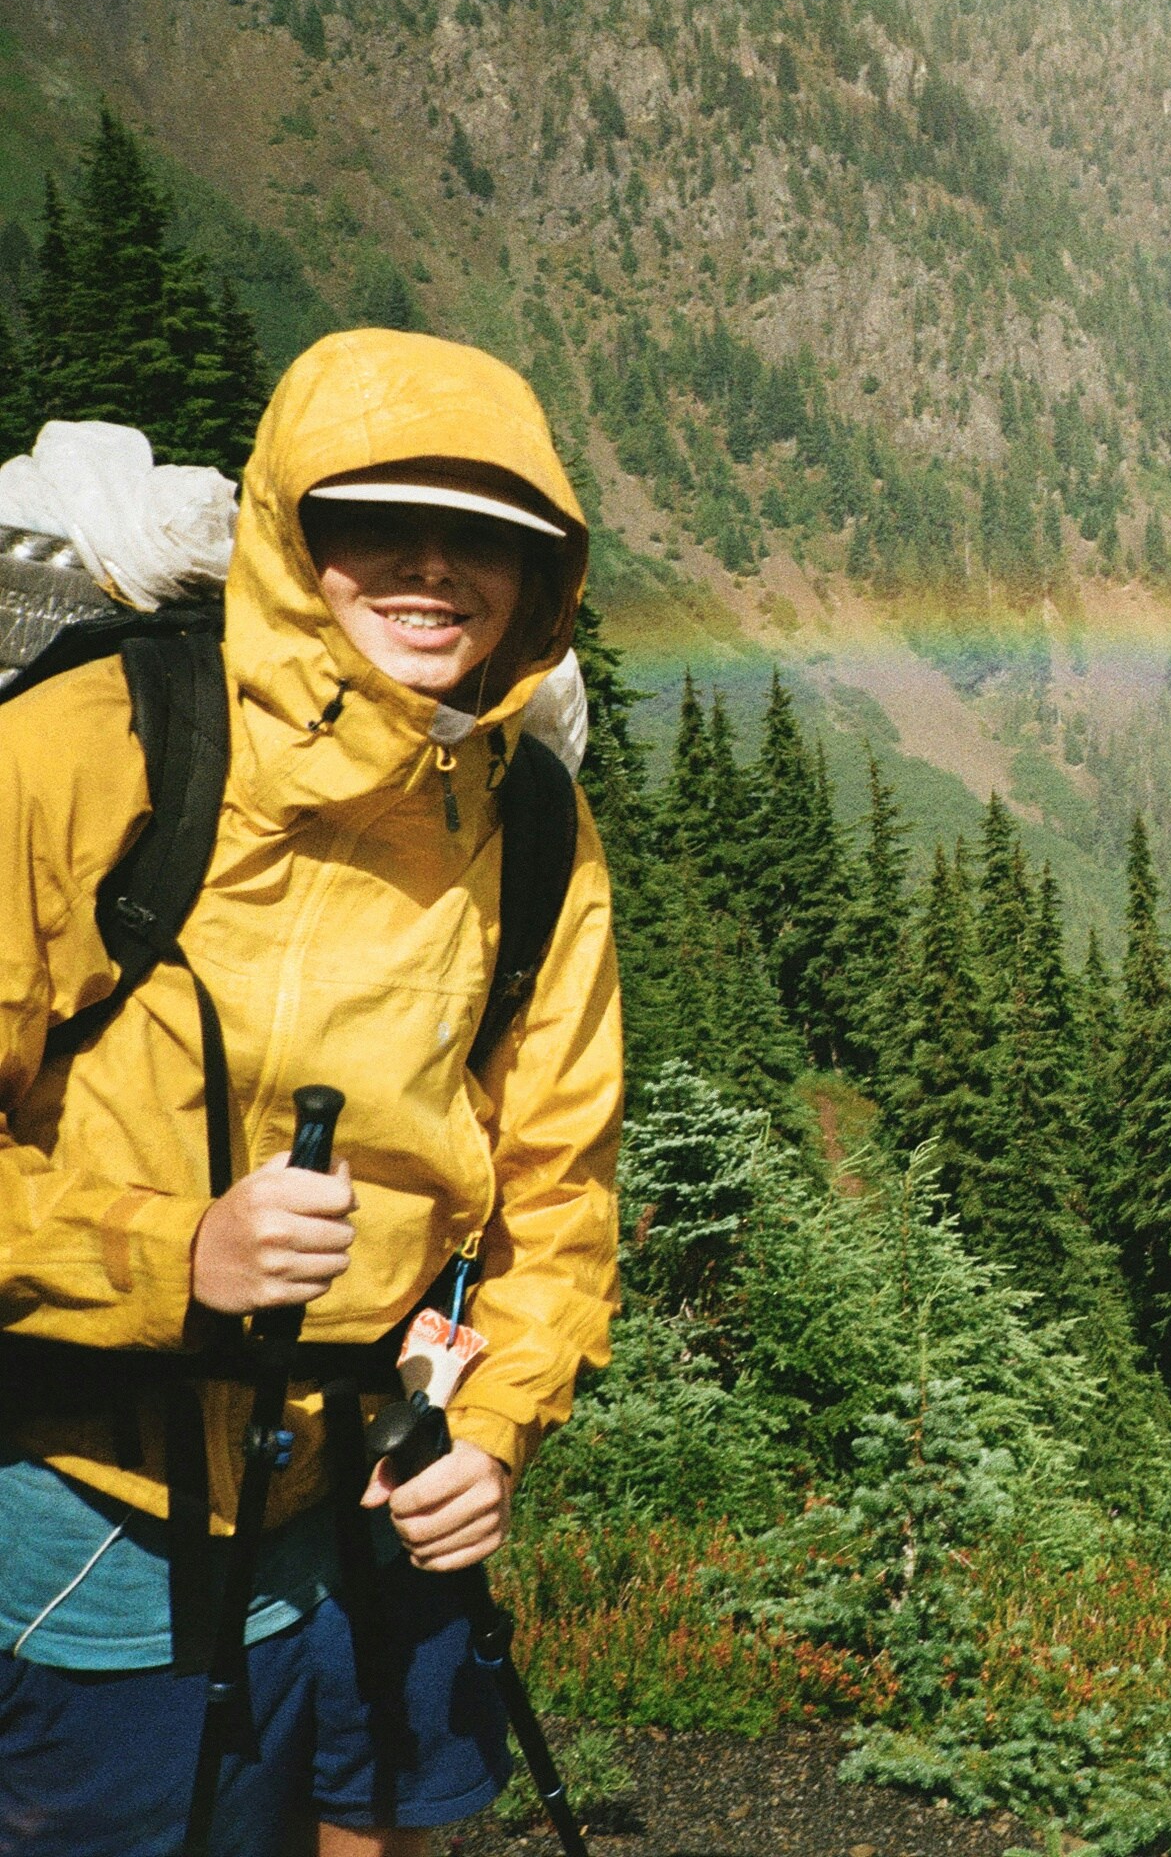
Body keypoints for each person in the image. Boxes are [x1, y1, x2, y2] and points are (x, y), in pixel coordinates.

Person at [0, 330, 623, 1855]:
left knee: (381, 1828)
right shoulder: (98, 745)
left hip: (384, 1474)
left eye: (487, 538)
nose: (433, 571)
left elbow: (560, 1184)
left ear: (541, 574)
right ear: (291, 535)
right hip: (106, 1494)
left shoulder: (529, 819)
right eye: (375, 526)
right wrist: (170, 1256)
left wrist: (493, 1429)